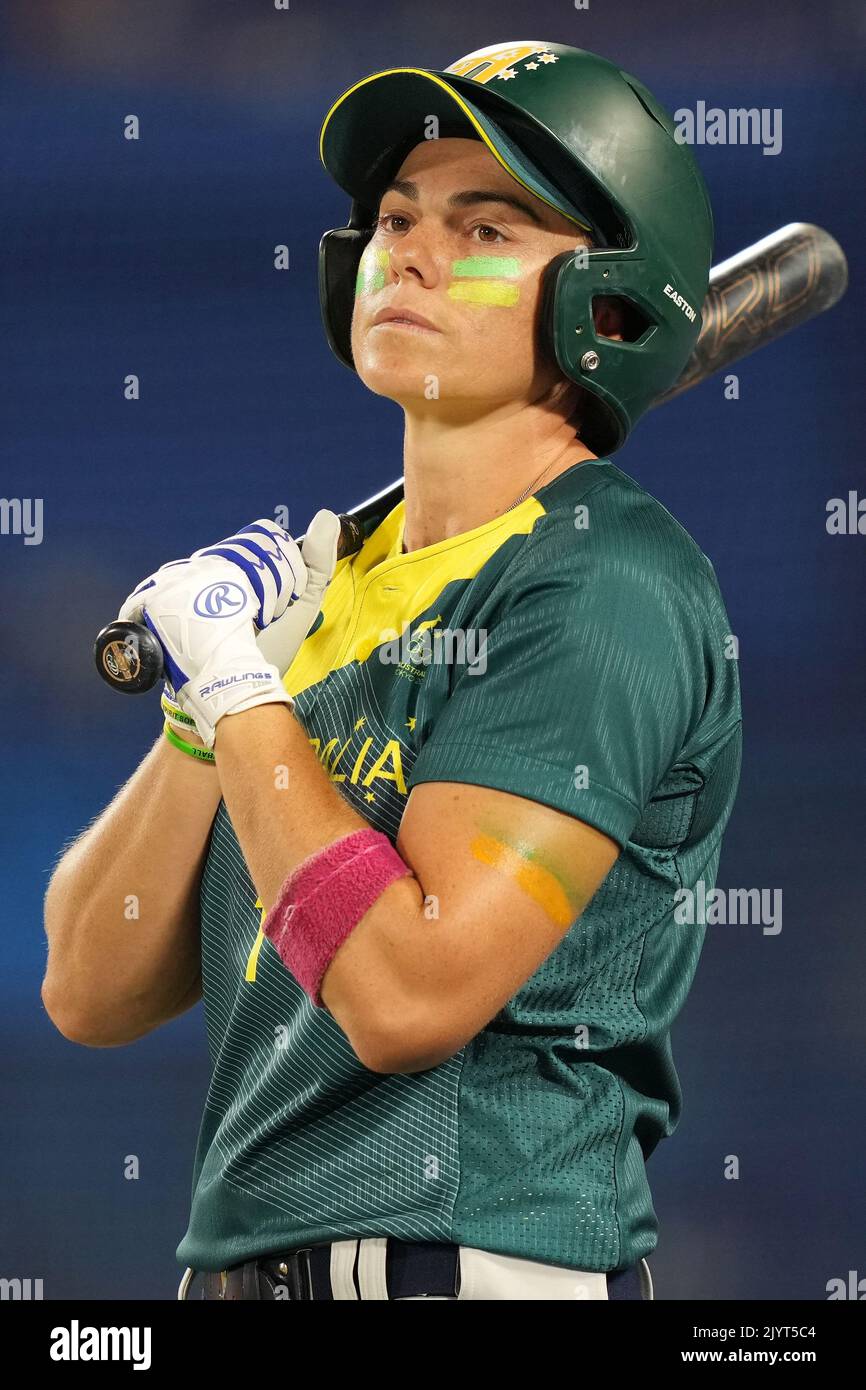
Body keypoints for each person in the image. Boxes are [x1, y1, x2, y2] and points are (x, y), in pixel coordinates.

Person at [42, 40, 741, 1301]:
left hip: (464, 1265)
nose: (410, 251)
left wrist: (245, 696)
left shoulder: (599, 586)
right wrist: (206, 710)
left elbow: (406, 995)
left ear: (612, 302)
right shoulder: (322, 591)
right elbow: (91, 982)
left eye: (485, 228)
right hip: (238, 1273)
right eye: (397, 217)